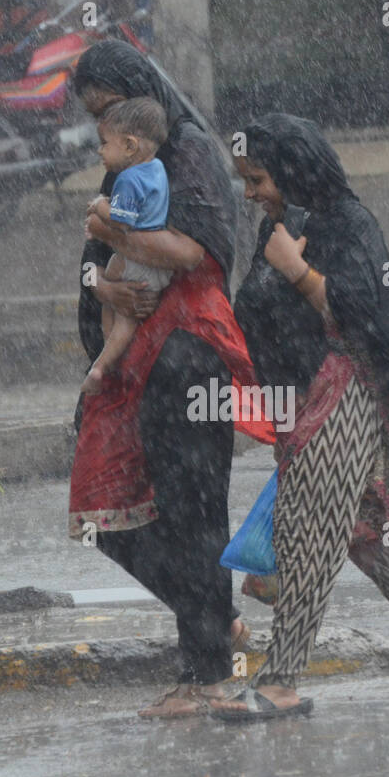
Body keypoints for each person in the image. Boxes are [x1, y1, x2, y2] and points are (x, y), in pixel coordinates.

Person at [215, 114, 389, 721]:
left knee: (307, 535)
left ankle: (281, 681)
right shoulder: (286, 222)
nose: (250, 192)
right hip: (303, 405)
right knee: (367, 540)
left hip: (345, 400)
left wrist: (295, 269)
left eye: (258, 178)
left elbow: (359, 314)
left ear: (292, 171)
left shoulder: (347, 225)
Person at [67, 40, 274, 719]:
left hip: (186, 358)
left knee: (191, 512)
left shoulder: (183, 154)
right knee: (109, 515)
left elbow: (194, 251)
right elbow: (95, 261)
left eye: (112, 112)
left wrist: (110, 235)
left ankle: (206, 672)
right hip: (132, 367)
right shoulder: (126, 160)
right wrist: (102, 280)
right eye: (99, 119)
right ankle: (212, 621)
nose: (107, 127)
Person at [81, 97, 174, 394]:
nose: (100, 151)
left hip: (139, 260)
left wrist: (99, 206)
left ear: (130, 146)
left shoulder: (127, 179)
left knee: (123, 317)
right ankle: (110, 356)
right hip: (152, 258)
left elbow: (122, 220)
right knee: (110, 298)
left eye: (105, 144)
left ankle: (104, 366)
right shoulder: (157, 168)